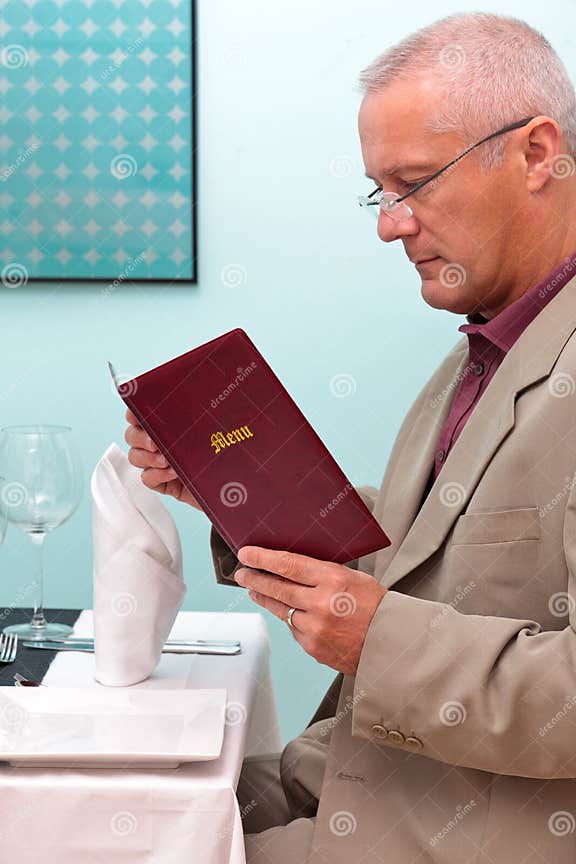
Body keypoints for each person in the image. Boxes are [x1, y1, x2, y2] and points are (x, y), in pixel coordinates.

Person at [125, 11, 576, 863]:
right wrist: (228, 488)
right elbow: (423, 556)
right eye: (381, 192)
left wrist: (380, 641)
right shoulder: (480, 353)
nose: (389, 225)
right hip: (342, 780)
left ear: (537, 151)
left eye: (414, 184)